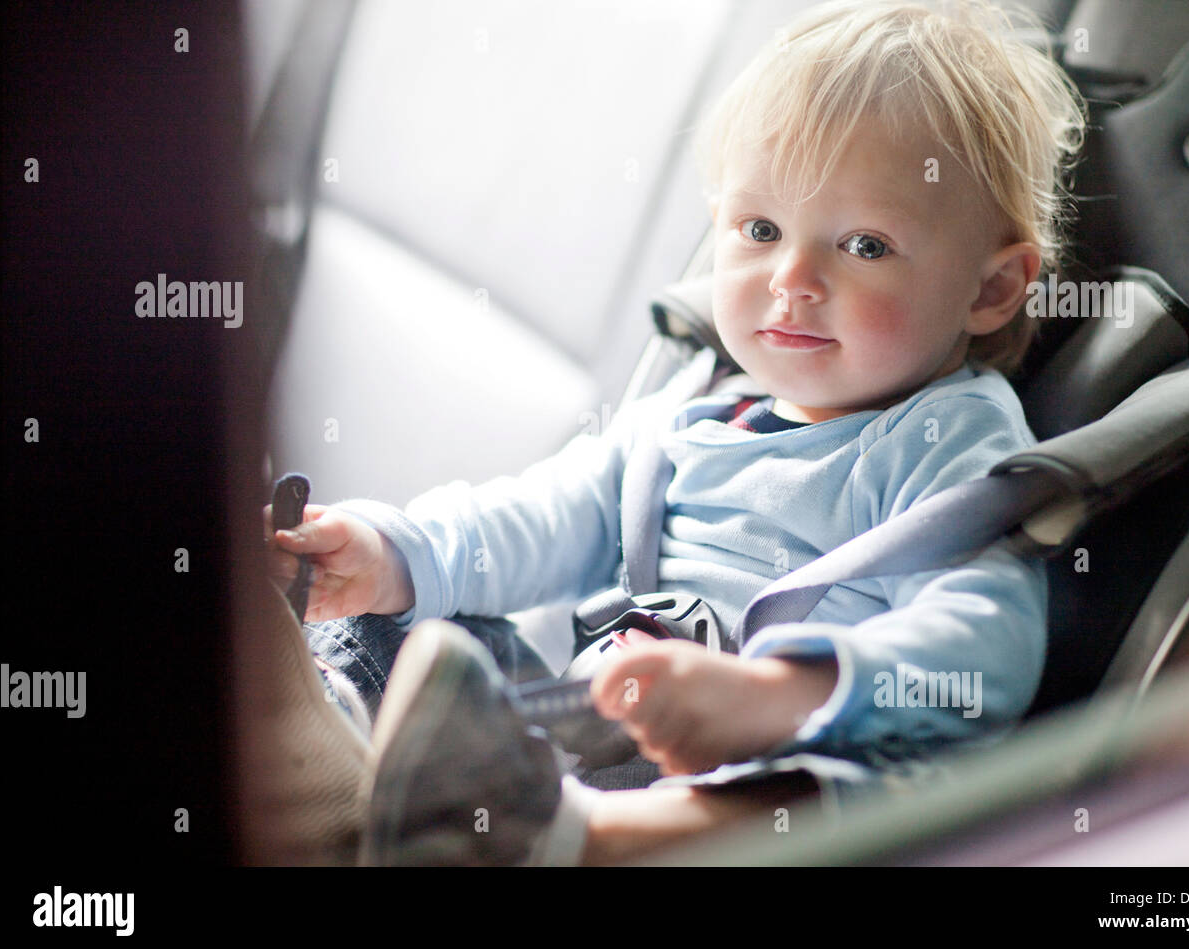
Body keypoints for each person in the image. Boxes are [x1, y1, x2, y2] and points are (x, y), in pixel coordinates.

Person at [265, 0, 1087, 865]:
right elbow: (537, 518)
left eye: (865, 245)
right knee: (412, 626)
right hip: (581, 731)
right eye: (761, 231)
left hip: (760, 770)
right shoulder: (690, 415)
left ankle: (575, 840)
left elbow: (984, 648)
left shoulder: (952, 442)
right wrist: (385, 553)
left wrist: (774, 695)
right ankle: (358, 752)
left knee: (871, 793)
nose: (793, 279)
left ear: (992, 290)